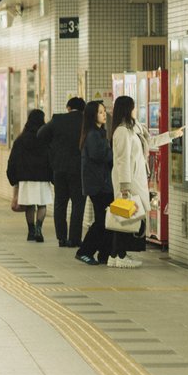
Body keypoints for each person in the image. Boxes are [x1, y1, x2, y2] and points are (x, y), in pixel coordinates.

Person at [109, 95, 183, 268]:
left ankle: (118, 254)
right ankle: (117, 256)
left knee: (128, 217)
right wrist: (125, 187)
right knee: (124, 218)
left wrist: (172, 135)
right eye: (133, 107)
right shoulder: (122, 131)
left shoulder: (135, 128)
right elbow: (122, 160)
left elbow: (151, 142)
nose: (136, 110)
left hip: (136, 179)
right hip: (128, 181)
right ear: (128, 109)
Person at [38, 97, 87, 248]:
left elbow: (40, 135)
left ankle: (61, 238)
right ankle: (74, 239)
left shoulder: (57, 119)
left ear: (68, 107)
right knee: (78, 204)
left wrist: (53, 148)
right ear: (83, 109)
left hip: (59, 168)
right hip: (79, 169)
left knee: (60, 203)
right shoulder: (86, 121)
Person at [75, 100, 113, 266]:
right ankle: (84, 251)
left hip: (101, 183)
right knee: (102, 220)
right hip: (98, 185)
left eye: (104, 111)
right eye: (100, 112)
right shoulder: (93, 134)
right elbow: (101, 156)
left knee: (105, 219)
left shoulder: (98, 132)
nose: (104, 115)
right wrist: (115, 152)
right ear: (92, 115)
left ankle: (104, 254)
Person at [7, 109, 54, 242]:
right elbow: (51, 158)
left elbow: (13, 159)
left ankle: (31, 231)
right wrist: (52, 175)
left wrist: (13, 177)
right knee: (42, 205)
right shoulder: (46, 138)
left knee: (29, 205)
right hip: (42, 177)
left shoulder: (21, 139)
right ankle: (39, 228)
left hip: (26, 178)